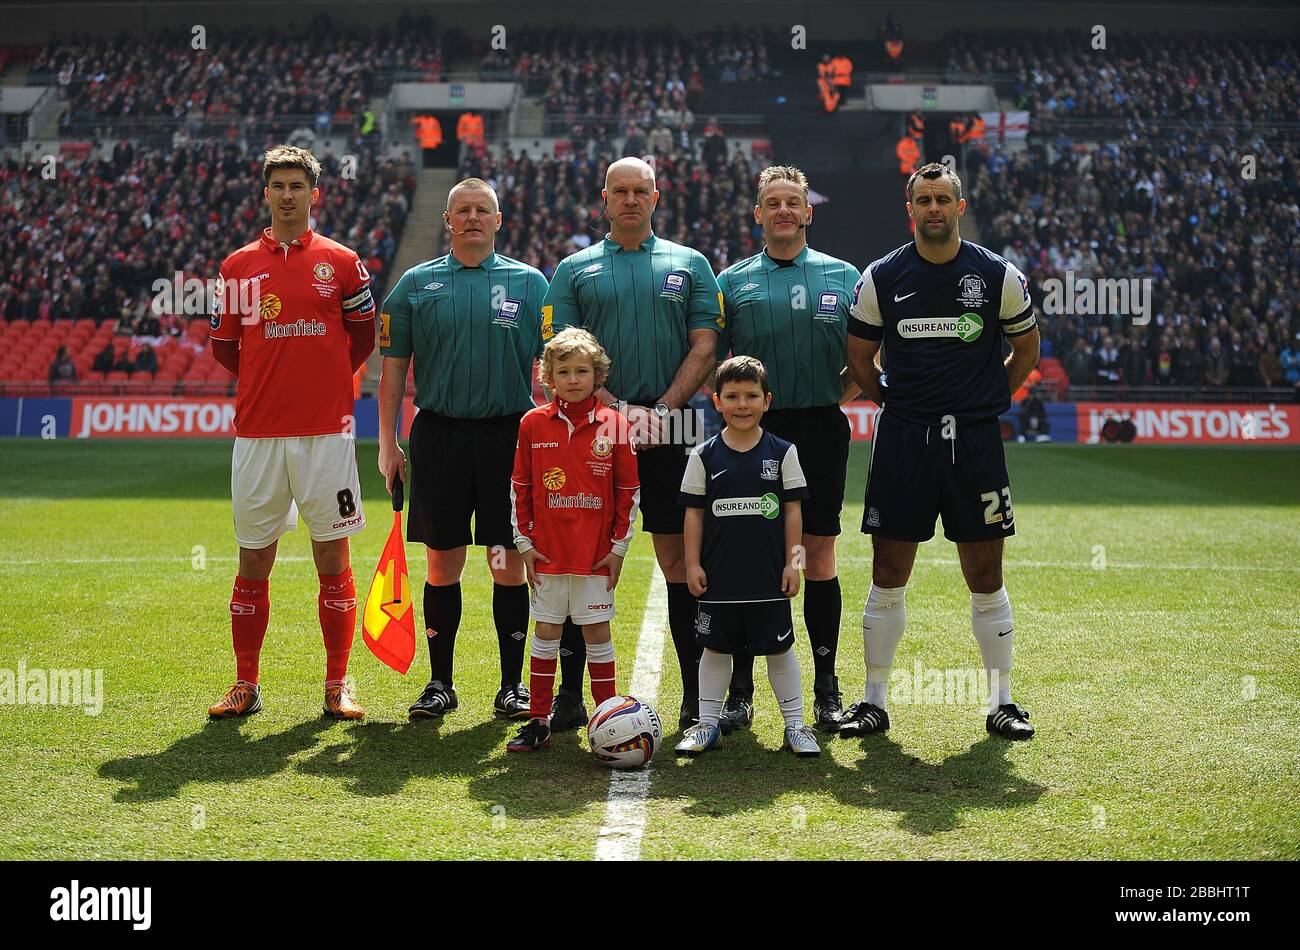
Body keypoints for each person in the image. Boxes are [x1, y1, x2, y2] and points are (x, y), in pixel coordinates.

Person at [843, 162, 1040, 741]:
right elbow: (859, 359)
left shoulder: (996, 275)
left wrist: (983, 401)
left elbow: (1025, 351)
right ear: (911, 210)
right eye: (923, 200)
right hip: (904, 438)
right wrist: (899, 406)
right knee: (888, 570)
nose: (933, 208)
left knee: (985, 573)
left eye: (943, 199)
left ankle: (1001, 701)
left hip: (975, 442)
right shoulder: (882, 277)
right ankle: (875, 701)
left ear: (959, 205)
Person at [543, 156, 724, 732]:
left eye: (639, 191)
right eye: (619, 191)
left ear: (656, 197)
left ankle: (697, 694)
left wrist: (663, 410)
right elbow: (564, 351)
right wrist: (619, 411)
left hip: (676, 429)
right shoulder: (574, 268)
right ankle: (570, 695)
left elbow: (705, 345)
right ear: (604, 198)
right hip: (595, 427)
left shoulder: (690, 263)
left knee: (680, 558)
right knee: (580, 558)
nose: (629, 200)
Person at [206, 144, 376, 721]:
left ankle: (336, 683)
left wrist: (319, 383)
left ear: (314, 195)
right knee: (254, 557)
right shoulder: (236, 267)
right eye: (277, 186)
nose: (286, 195)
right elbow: (226, 348)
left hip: (327, 433)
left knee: (333, 554)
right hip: (257, 435)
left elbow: (361, 341)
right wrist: (268, 382)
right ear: (265, 194)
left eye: (296, 187)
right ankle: (245, 684)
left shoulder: (344, 262)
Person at [377, 178, 548, 722]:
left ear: (499, 220)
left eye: (483, 210)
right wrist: (388, 443)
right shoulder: (415, 284)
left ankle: (511, 686)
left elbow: (558, 364)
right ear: (447, 221)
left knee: (507, 564)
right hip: (439, 436)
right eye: (462, 211)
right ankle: (440, 682)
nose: (472, 218)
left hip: (508, 438)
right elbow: (393, 369)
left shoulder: (530, 284)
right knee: (442, 563)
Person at [714, 165, 861, 733]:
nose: (782, 211)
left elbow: (864, 360)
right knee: (751, 556)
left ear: (807, 211)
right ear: (758, 213)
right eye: (772, 202)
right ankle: (741, 692)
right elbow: (714, 361)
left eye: (791, 202)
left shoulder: (844, 276)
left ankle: (826, 690)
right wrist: (741, 408)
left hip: (822, 428)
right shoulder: (733, 281)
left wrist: (833, 396)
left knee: (817, 556)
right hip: (753, 435)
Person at [675, 355, 819, 757]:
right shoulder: (702, 456)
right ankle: (706, 725)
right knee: (715, 648)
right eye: (733, 396)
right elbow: (693, 514)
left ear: (767, 401)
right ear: (716, 401)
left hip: (768, 576)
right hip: (719, 576)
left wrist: (794, 562)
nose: (742, 404)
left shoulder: (782, 452)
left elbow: (794, 511)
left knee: (779, 648)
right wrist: (691, 563)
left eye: (751, 396)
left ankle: (795, 726)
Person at [505, 328, 640, 752]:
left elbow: (628, 492)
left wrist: (618, 548)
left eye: (582, 370)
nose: (574, 379)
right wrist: (524, 545)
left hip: (596, 557)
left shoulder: (616, 424)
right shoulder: (532, 423)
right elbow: (520, 486)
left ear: (597, 375)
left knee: (597, 633)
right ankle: (539, 719)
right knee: (545, 631)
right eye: (563, 371)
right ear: (549, 376)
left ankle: (609, 722)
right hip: (547, 554)